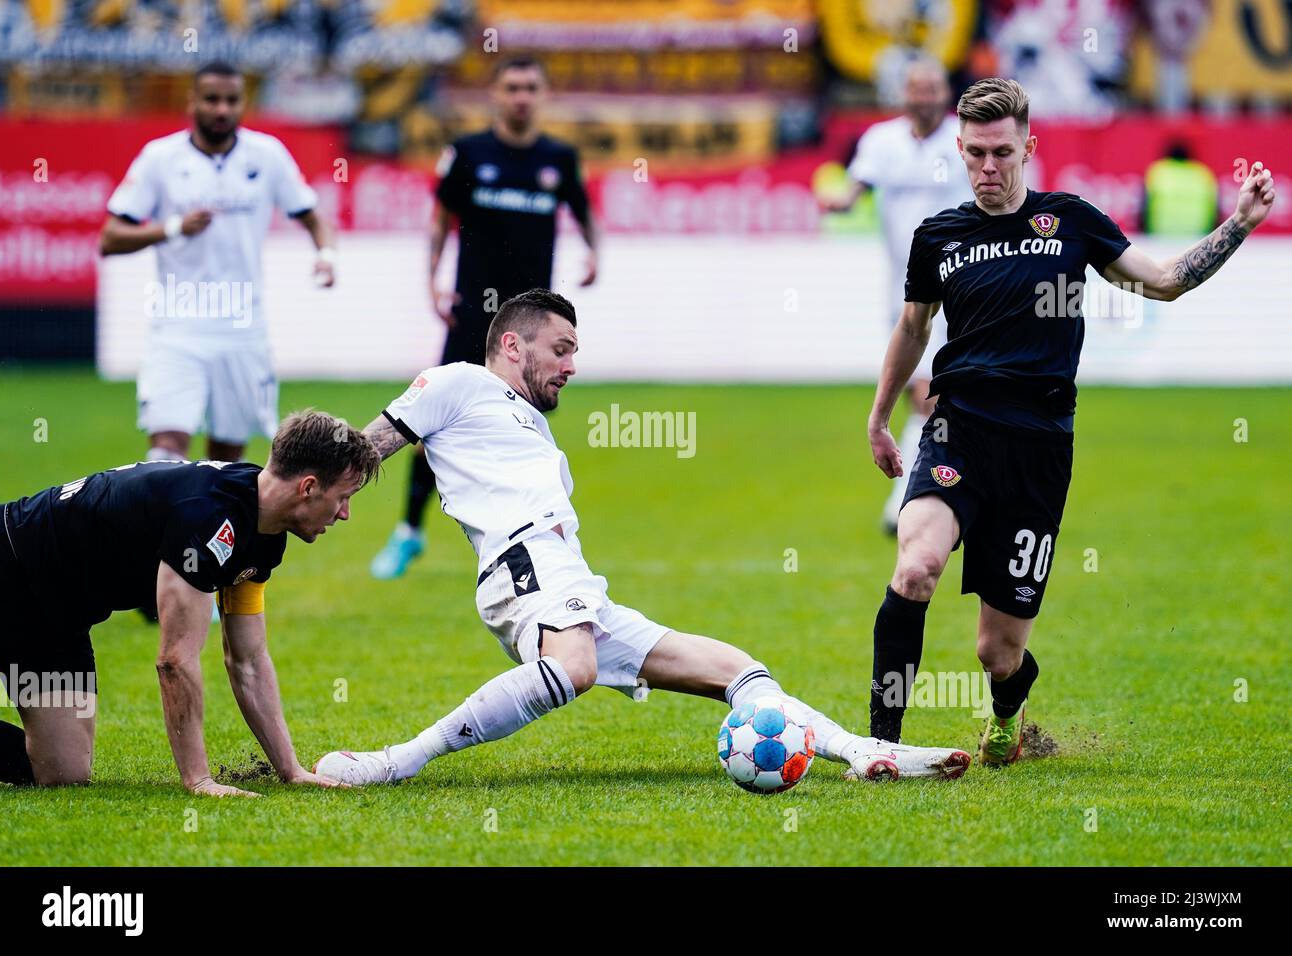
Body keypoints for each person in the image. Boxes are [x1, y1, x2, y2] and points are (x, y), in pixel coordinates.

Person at [317, 290, 973, 786]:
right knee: (574, 670)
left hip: (570, 579)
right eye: (562, 348)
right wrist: (310, 495)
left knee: (740, 672)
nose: (572, 365)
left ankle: (864, 751)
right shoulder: (458, 382)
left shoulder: (522, 419)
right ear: (512, 346)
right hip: (525, 564)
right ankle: (395, 763)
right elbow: (367, 444)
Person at [865, 77, 1276, 764]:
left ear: (1028, 146)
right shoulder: (939, 237)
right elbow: (912, 329)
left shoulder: (1071, 222)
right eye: (973, 154)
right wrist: (880, 417)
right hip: (956, 429)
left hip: (1039, 452)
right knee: (915, 569)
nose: (987, 169)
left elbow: (1165, 280)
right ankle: (879, 747)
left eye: (1000, 153)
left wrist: (1238, 224)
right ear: (960, 153)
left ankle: (1009, 711)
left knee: (997, 652)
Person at [0, 412, 380, 794]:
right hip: (3, 562)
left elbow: (248, 659)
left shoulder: (264, 534)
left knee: (62, 770)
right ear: (308, 487)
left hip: (54, 619)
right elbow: (174, 660)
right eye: (343, 498)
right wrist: (198, 779)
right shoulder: (206, 516)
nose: (344, 514)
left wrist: (290, 769)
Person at [370, 55, 598, 580]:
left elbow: (584, 212)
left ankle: (534, 532)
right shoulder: (470, 154)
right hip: (474, 313)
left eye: (531, 87)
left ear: (542, 96)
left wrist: (592, 254)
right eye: (512, 86)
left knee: (528, 427)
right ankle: (409, 531)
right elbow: (439, 220)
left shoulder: (558, 158)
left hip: (532, 328)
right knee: (431, 421)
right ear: (496, 94)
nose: (521, 96)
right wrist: (431, 280)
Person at [99, 60, 337, 466]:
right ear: (191, 102)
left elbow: (313, 216)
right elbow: (110, 238)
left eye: (231, 100)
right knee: (165, 454)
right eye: (211, 99)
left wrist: (325, 255)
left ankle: (210, 531)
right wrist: (173, 227)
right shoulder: (161, 158)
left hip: (242, 328)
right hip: (177, 326)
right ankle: (164, 531)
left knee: (226, 460)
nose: (222, 109)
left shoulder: (266, 155)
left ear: (243, 103)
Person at [821, 57, 973, 534]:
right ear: (904, 94)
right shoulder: (881, 142)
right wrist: (840, 201)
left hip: (962, 284)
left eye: (932, 88)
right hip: (904, 287)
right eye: (916, 89)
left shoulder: (964, 142)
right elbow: (855, 189)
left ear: (945, 93)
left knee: (928, 392)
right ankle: (930, 487)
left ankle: (906, 498)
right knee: (922, 392)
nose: (924, 97)